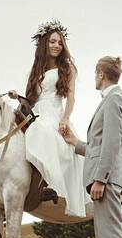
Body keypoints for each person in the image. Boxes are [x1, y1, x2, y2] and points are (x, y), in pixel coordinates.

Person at [11, 19, 85, 219]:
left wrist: (65, 118)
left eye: (60, 43)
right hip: (37, 113)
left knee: (41, 132)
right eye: (53, 41)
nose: (56, 46)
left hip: (54, 114)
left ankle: (50, 183)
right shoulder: (33, 73)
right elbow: (31, 100)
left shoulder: (67, 69)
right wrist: (18, 97)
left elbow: (71, 96)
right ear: (44, 43)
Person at [61, 55, 122, 238]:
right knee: (106, 237)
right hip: (107, 179)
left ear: (101, 74)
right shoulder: (113, 99)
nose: (94, 78)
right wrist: (76, 143)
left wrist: (100, 179)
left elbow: (111, 144)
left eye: (95, 74)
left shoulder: (113, 100)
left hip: (106, 180)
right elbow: (101, 146)